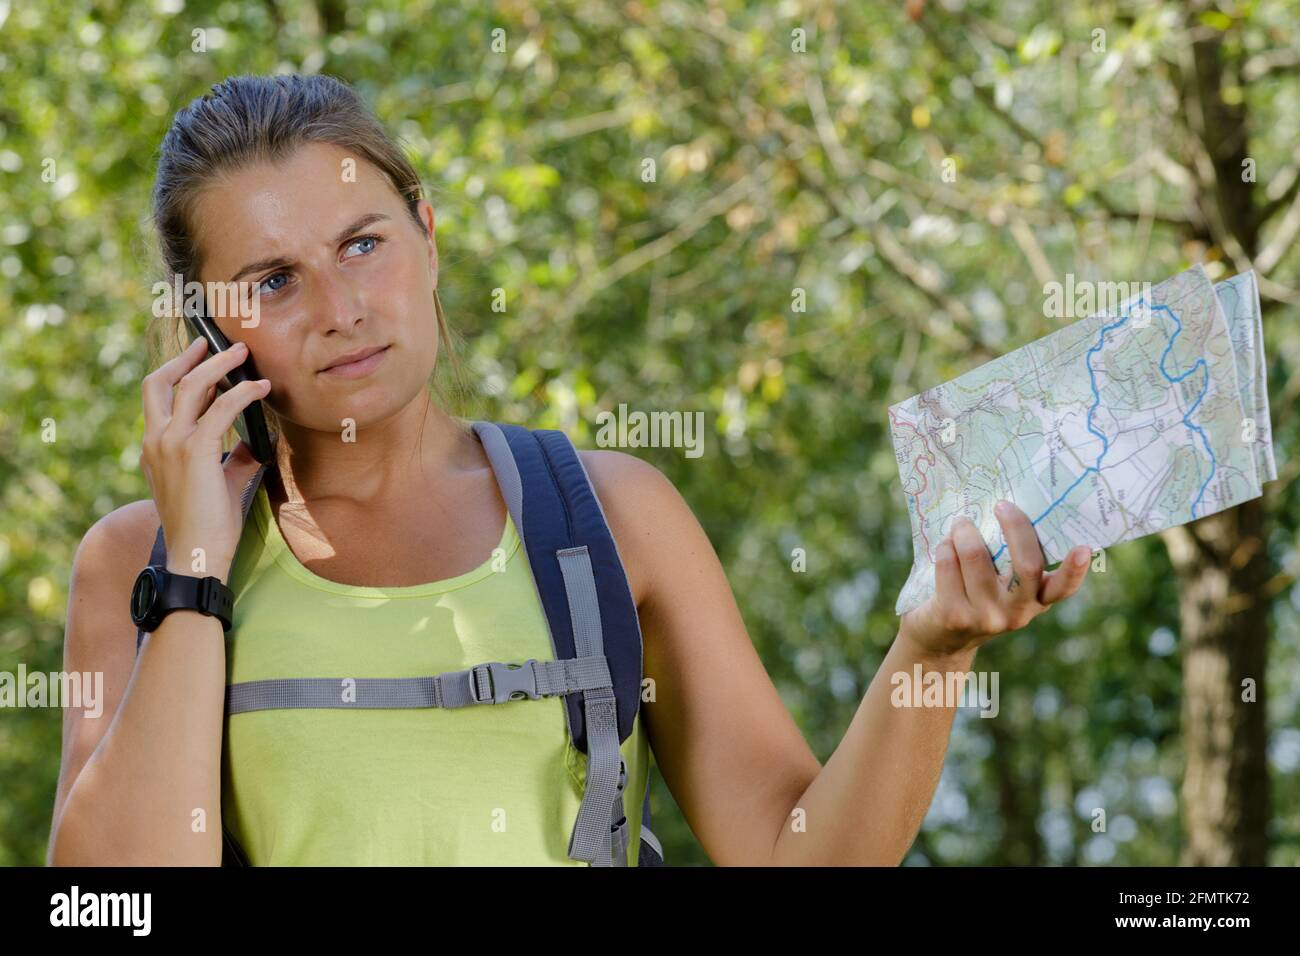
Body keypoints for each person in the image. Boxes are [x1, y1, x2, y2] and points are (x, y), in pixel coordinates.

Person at [47, 73, 1092, 866]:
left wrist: (933, 644)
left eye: (362, 243)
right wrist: (191, 568)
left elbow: (791, 850)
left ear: (427, 235)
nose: (339, 307)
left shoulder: (608, 514)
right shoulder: (133, 564)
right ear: (206, 328)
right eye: (273, 280)